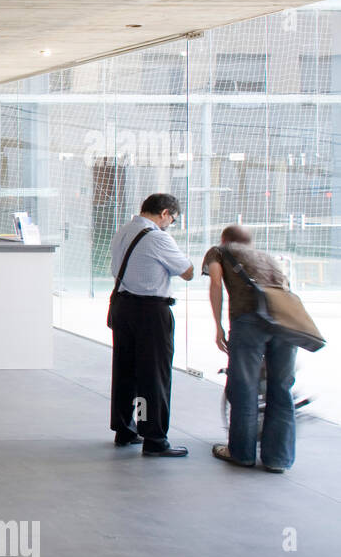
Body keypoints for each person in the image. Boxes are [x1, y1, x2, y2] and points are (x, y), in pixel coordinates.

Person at [203, 225, 296, 473]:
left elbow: (215, 284)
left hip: (249, 320)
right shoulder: (267, 257)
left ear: (225, 239)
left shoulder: (218, 251)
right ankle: (278, 459)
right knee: (281, 388)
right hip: (287, 321)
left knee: (244, 387)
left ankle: (241, 453)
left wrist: (218, 326)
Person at [108, 193, 195, 457]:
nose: (170, 225)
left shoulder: (123, 230)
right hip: (149, 312)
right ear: (165, 212)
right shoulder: (158, 237)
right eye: (173, 219)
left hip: (122, 307)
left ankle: (125, 429)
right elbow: (188, 271)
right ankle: (154, 438)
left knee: (125, 371)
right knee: (153, 376)